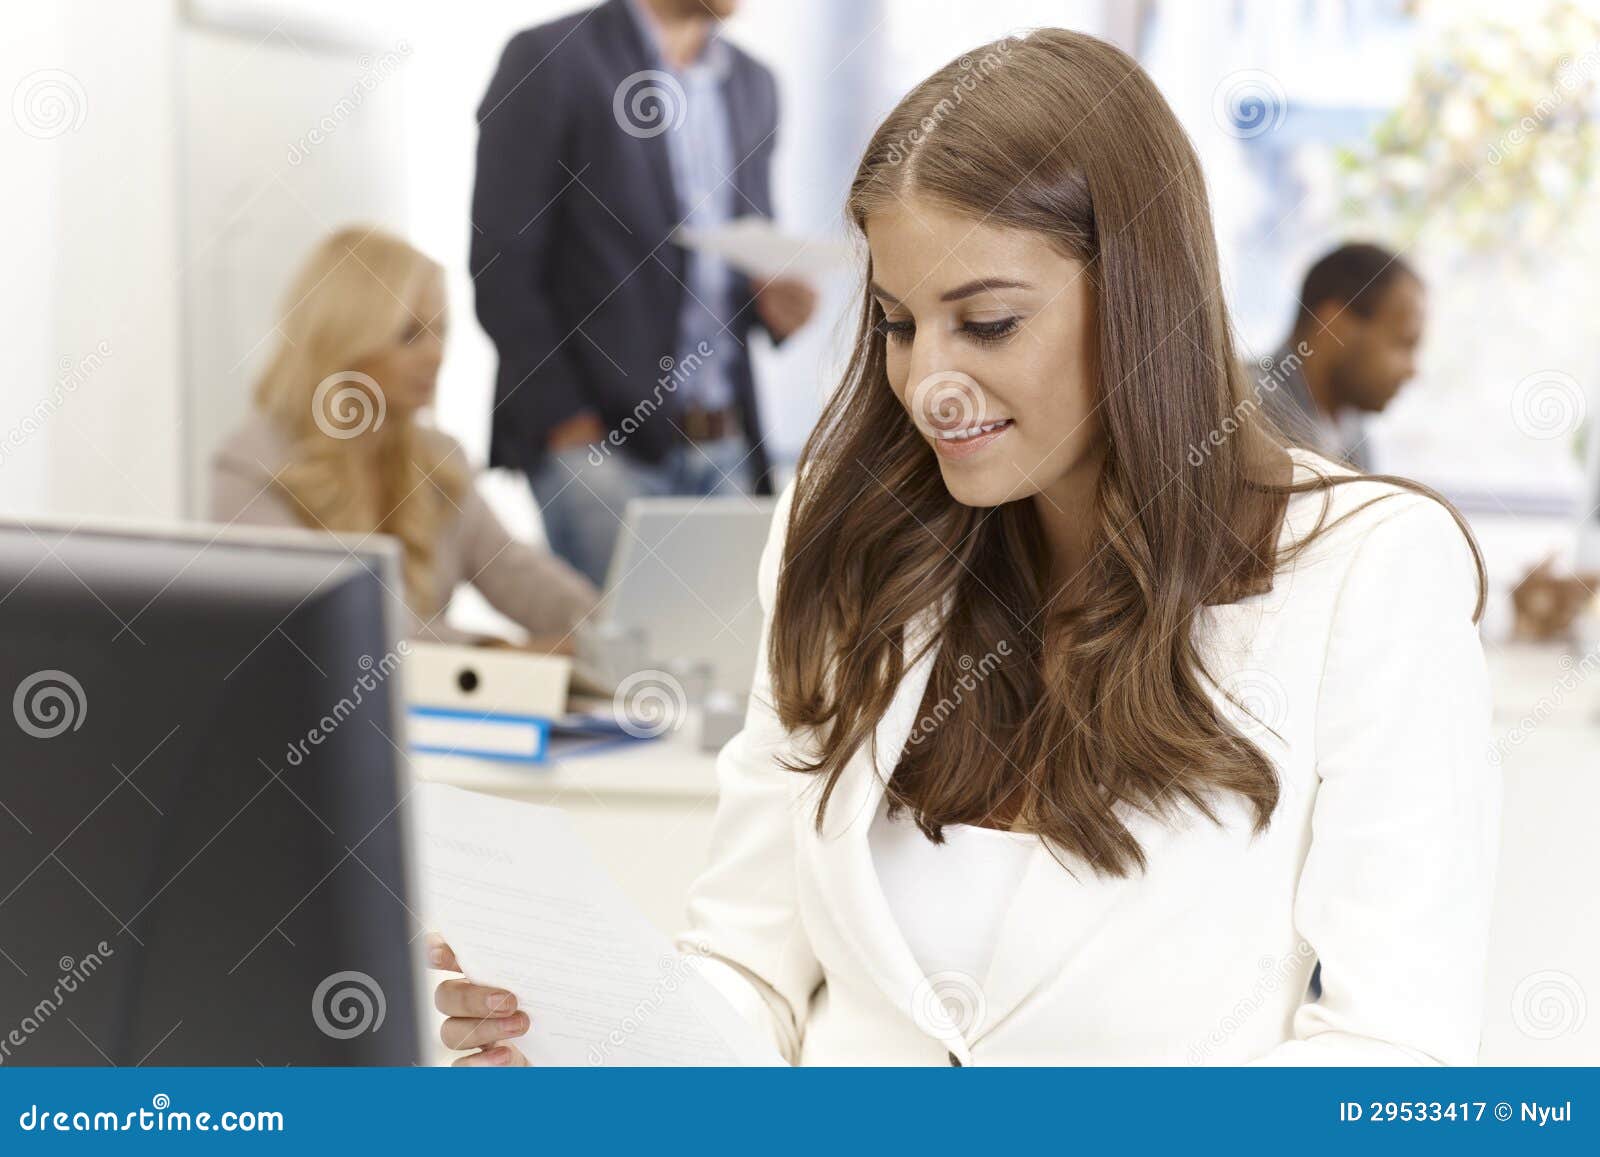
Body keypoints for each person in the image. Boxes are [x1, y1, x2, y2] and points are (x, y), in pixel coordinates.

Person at [431, 30, 1499, 1066]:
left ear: (1142, 302)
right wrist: (590, 1050)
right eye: (896, 323)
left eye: (985, 323)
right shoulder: (843, 535)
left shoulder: (1370, 572)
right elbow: (749, 968)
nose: (926, 383)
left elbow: (1389, 1052)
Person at [471, 0, 817, 585]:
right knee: (627, 666)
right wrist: (566, 423)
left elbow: (741, 251)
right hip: (598, 449)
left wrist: (777, 306)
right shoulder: (551, 58)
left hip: (724, 442)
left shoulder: (754, 84)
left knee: (732, 661)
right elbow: (502, 267)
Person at [211, 227, 599, 647]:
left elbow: (520, 576)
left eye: (441, 331)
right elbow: (334, 626)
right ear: (344, 340)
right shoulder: (252, 465)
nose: (436, 354)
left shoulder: (439, 462)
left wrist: (612, 625)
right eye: (410, 334)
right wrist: (496, 654)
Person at [1262, 242, 1426, 471]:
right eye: (1402, 343)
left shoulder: (1352, 430)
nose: (1412, 370)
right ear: (1333, 326)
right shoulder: (1246, 411)